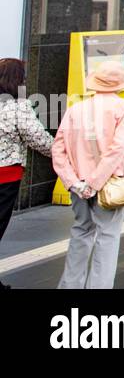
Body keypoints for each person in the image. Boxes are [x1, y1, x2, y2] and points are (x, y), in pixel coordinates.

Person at [51, 62, 124, 289]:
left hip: (78, 185)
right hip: (109, 184)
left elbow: (58, 150)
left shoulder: (75, 109)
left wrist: (74, 183)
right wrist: (94, 183)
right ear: (120, 84)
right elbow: (117, 149)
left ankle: (69, 286)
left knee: (81, 231)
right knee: (107, 236)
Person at [0, 58, 54, 289]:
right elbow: (37, 138)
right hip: (5, 176)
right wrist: (63, 152)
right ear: (17, 79)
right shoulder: (17, 106)